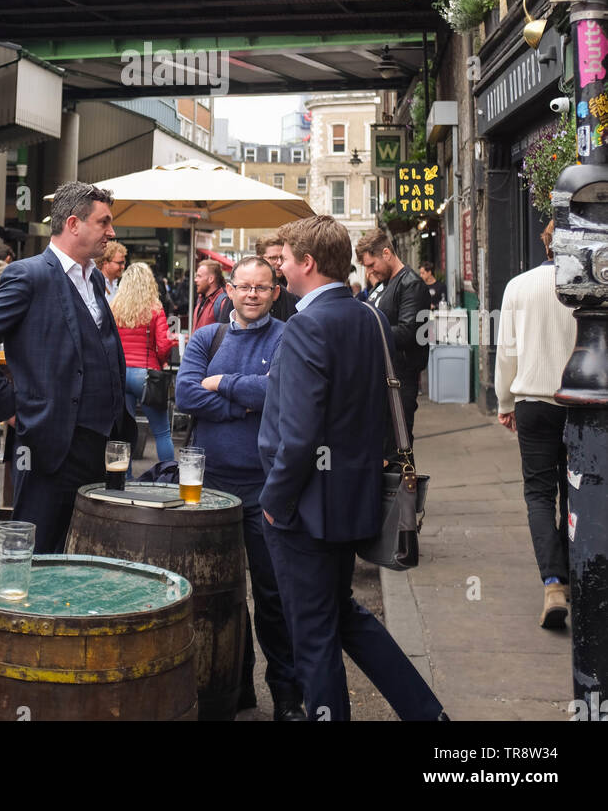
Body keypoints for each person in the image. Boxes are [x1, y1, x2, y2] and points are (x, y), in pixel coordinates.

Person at [259, 215, 447, 723]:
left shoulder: (305, 325)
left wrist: (274, 503)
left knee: (314, 636)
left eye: (285, 260)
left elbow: (297, 435)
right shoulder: (369, 317)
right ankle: (427, 714)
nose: (280, 267)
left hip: (303, 509)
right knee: (342, 616)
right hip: (351, 499)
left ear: (308, 263)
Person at [0, 181, 134, 553]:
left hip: (101, 444)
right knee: (38, 552)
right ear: (73, 224)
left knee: (87, 552)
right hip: (51, 442)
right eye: (104, 222)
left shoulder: (95, 277)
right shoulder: (29, 275)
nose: (111, 232)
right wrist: (10, 409)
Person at [176, 255, 304, 722]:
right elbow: (187, 395)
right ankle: (237, 684)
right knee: (219, 594)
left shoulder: (287, 335)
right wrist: (244, 405)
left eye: (262, 287)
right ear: (229, 289)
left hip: (266, 488)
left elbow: (282, 393)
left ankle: (286, 693)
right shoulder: (208, 338)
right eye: (244, 286)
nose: (252, 294)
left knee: (272, 595)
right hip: (211, 489)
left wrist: (225, 385)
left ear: (275, 292)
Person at [494, 221, 576, 629]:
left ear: (545, 244)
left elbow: (506, 350)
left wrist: (504, 400)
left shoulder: (518, 286)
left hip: (533, 402)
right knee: (577, 491)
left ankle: (553, 581)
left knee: (539, 494)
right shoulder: (589, 286)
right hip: (582, 405)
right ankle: (575, 571)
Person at [355, 228, 431, 448]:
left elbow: (408, 333)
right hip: (383, 378)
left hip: (399, 381)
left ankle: (406, 484)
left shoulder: (411, 284)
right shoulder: (384, 283)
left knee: (399, 450)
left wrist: (366, 333)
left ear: (386, 253)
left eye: (371, 265)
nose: (370, 271)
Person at [110, 261, 175, 469]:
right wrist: (162, 356)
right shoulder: (155, 309)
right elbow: (164, 345)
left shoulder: (114, 307)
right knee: (162, 432)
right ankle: (169, 477)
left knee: (123, 432)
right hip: (146, 374)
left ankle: (124, 477)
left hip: (121, 373)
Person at [193, 259, 228, 330]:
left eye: (199, 276)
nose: (195, 280)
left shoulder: (223, 303)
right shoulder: (200, 300)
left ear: (211, 279)